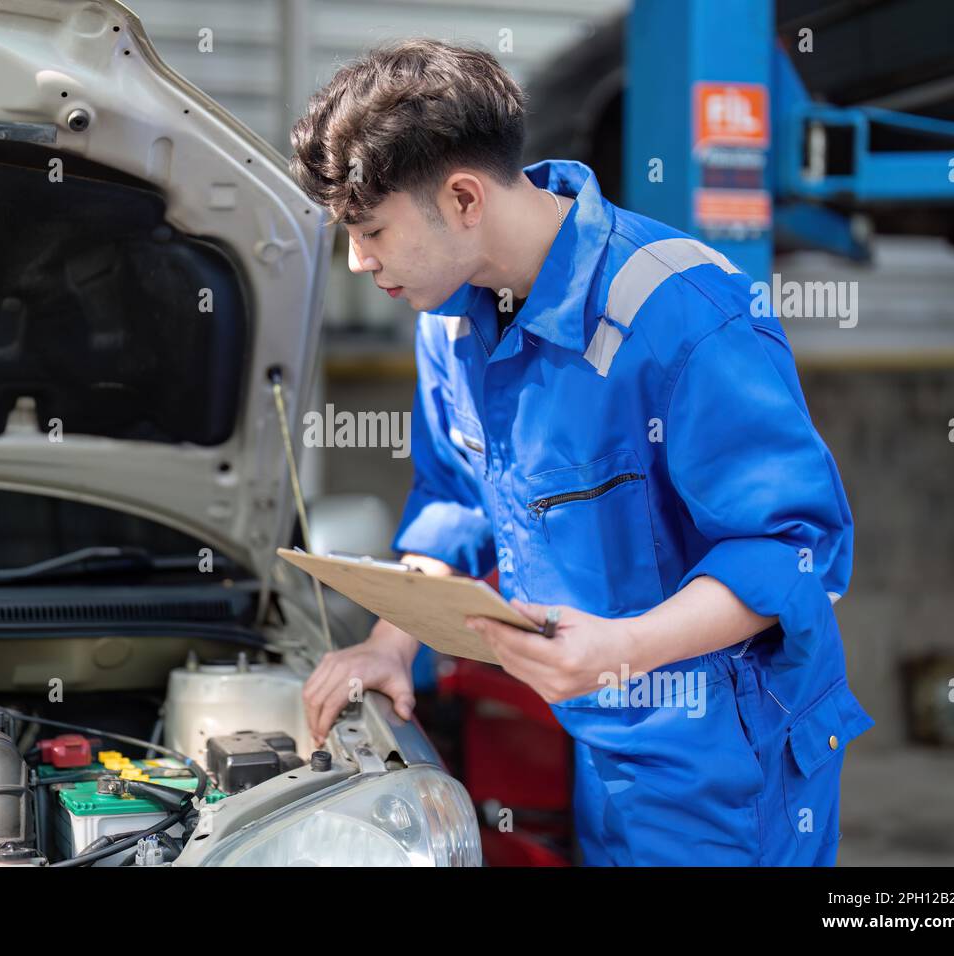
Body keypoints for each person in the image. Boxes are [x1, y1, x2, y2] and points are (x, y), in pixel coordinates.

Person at [288, 39, 873, 865]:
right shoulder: (450, 322)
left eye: (371, 228)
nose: (358, 259)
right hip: (599, 742)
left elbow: (791, 550)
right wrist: (389, 644)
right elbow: (457, 503)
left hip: (729, 764)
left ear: (462, 198)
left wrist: (623, 652)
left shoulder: (684, 317)